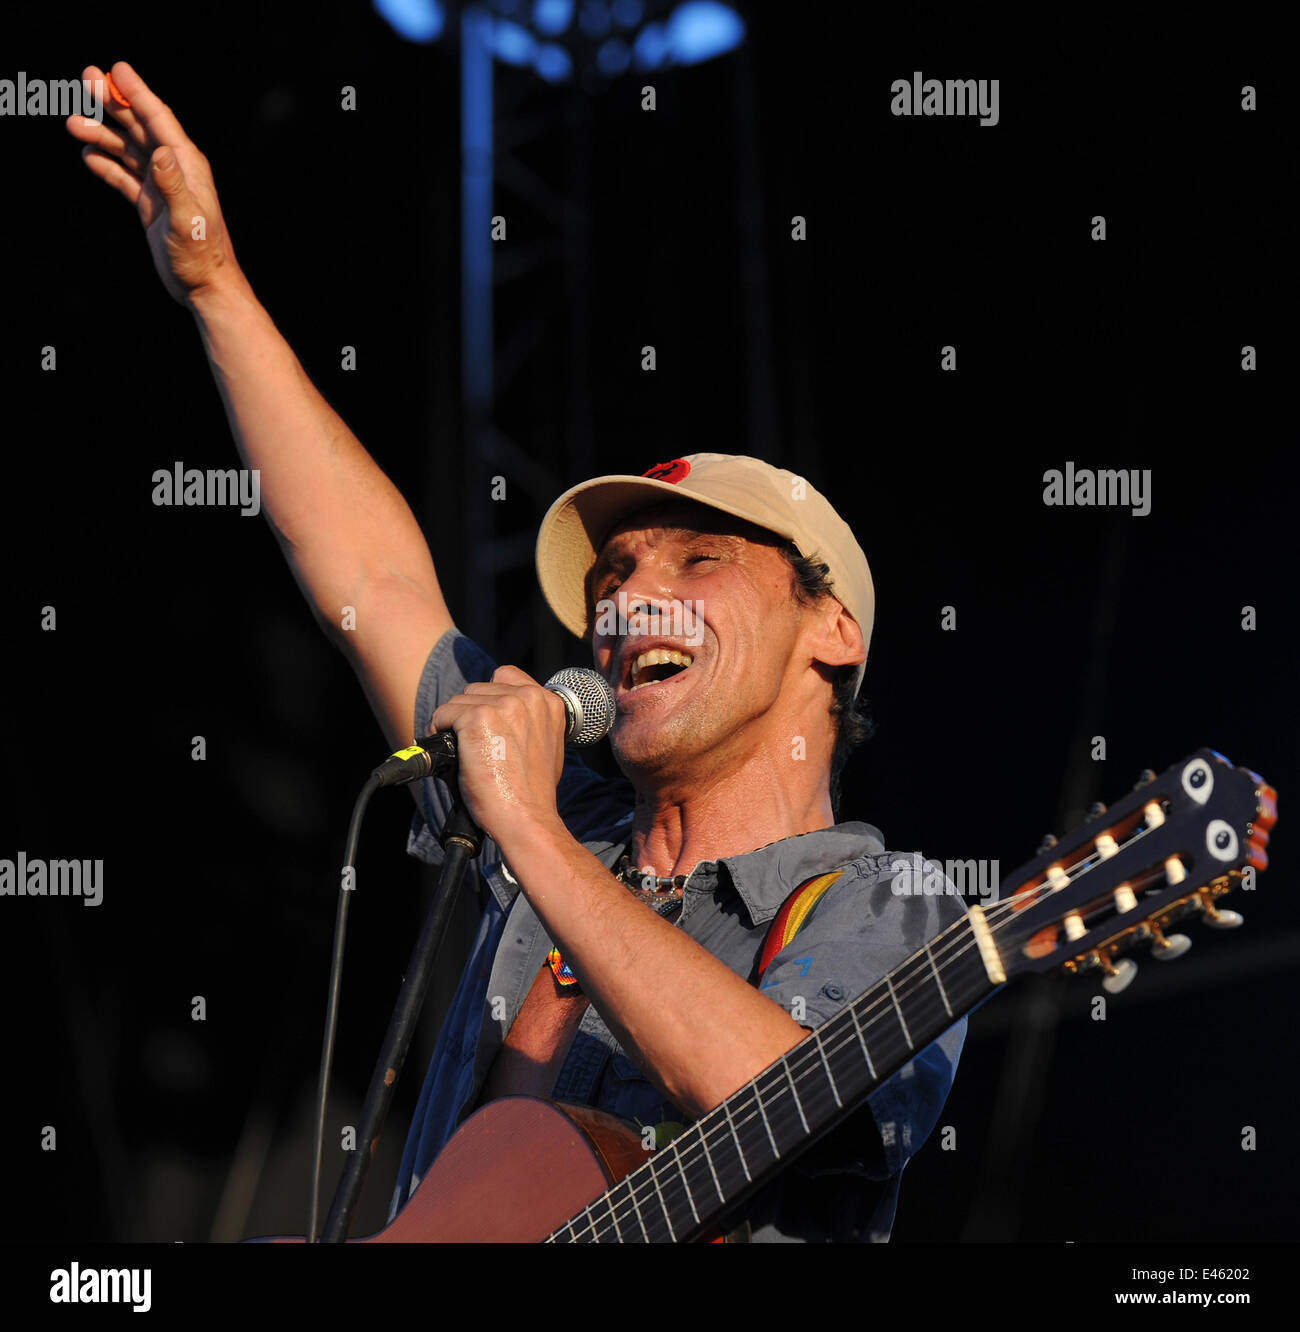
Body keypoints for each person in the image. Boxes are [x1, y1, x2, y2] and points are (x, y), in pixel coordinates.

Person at [69, 61, 967, 1243]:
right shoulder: (562, 811)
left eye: (699, 562)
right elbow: (375, 582)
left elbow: (797, 1106)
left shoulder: (887, 904)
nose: (632, 596)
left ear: (832, 631)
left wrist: (531, 832)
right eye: (615, 574)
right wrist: (217, 285)